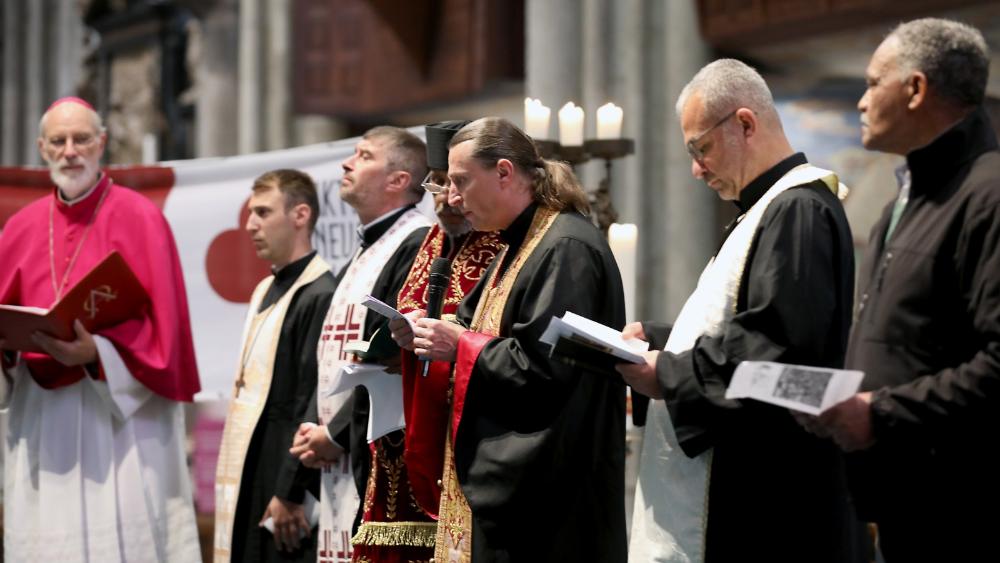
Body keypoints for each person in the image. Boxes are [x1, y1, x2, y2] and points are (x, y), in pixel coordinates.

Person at [616, 60, 865, 562]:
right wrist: (663, 340)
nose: (696, 169)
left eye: (700, 149)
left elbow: (778, 352)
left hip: (767, 496)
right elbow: (747, 324)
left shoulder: (797, 209)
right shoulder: (768, 209)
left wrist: (668, 373)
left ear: (745, 124)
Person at [801, 18, 1000, 562]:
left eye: (872, 83)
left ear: (915, 89)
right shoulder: (903, 202)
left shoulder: (988, 195)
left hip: (961, 505)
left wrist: (881, 412)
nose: (862, 101)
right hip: (902, 493)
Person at [401, 117, 627, 562]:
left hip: (551, 497)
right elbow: (470, 323)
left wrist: (458, 345)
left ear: (504, 172)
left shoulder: (565, 247)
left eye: (461, 181)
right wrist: (421, 332)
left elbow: (545, 367)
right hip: (521, 490)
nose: (451, 197)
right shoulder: (516, 243)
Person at [0, 97, 201, 561]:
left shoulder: (142, 218)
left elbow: (165, 336)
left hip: (117, 422)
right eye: (58, 141)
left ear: (102, 143)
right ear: (42, 149)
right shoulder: (20, 227)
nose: (70, 151)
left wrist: (98, 354)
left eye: (82, 139)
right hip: (43, 415)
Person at [348, 120, 502, 562]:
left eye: (456, 184)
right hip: (402, 433)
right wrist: (400, 337)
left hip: (462, 440)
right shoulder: (429, 244)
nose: (445, 200)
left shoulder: (502, 246)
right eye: (436, 184)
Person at [289, 126, 431, 560]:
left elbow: (388, 355)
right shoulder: (365, 250)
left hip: (371, 449)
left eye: (365, 156)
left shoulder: (415, 242)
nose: (347, 163)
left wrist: (334, 434)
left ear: (398, 180)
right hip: (338, 451)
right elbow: (331, 354)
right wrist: (316, 428)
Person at [214, 169, 336, 562]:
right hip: (254, 460)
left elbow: (311, 399)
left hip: (283, 473)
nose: (250, 225)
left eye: (263, 213)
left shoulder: (320, 293)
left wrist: (290, 489)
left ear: (300, 215)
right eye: (251, 213)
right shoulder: (265, 288)